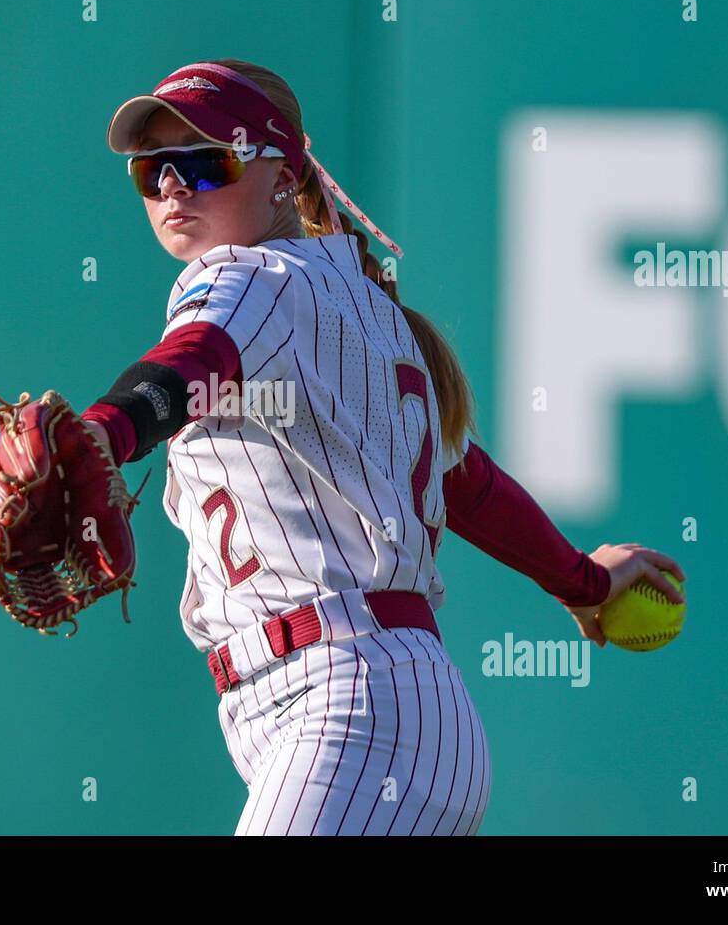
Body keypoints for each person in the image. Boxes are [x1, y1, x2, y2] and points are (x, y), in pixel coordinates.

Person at [77, 59, 686, 836]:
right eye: (153, 170)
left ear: (279, 174)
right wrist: (581, 582)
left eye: (205, 162)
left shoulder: (248, 278)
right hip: (377, 709)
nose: (171, 187)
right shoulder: (363, 311)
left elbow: (193, 360)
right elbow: (466, 486)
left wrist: (105, 433)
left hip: (349, 705)